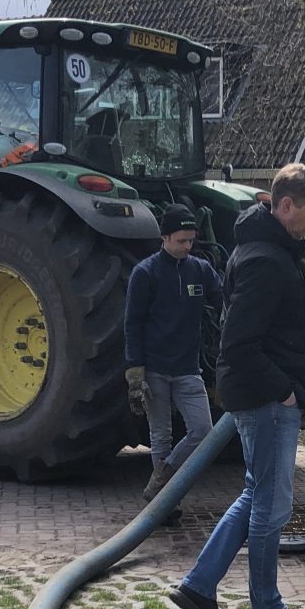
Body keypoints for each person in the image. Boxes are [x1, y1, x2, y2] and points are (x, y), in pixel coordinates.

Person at [166, 163, 305, 609]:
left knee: (256, 494)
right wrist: (282, 392)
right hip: (265, 399)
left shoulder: (264, 250)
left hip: (262, 395)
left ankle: (199, 586)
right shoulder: (265, 259)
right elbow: (238, 344)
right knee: (271, 506)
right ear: (284, 206)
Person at [124, 203, 221, 508]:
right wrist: (135, 371)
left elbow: (223, 300)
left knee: (203, 430)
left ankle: (161, 480)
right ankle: (166, 505)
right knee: (161, 435)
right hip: (154, 369)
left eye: (191, 241)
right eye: (181, 241)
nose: (187, 246)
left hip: (188, 368)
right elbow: (133, 323)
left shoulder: (200, 270)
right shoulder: (145, 274)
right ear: (164, 238)